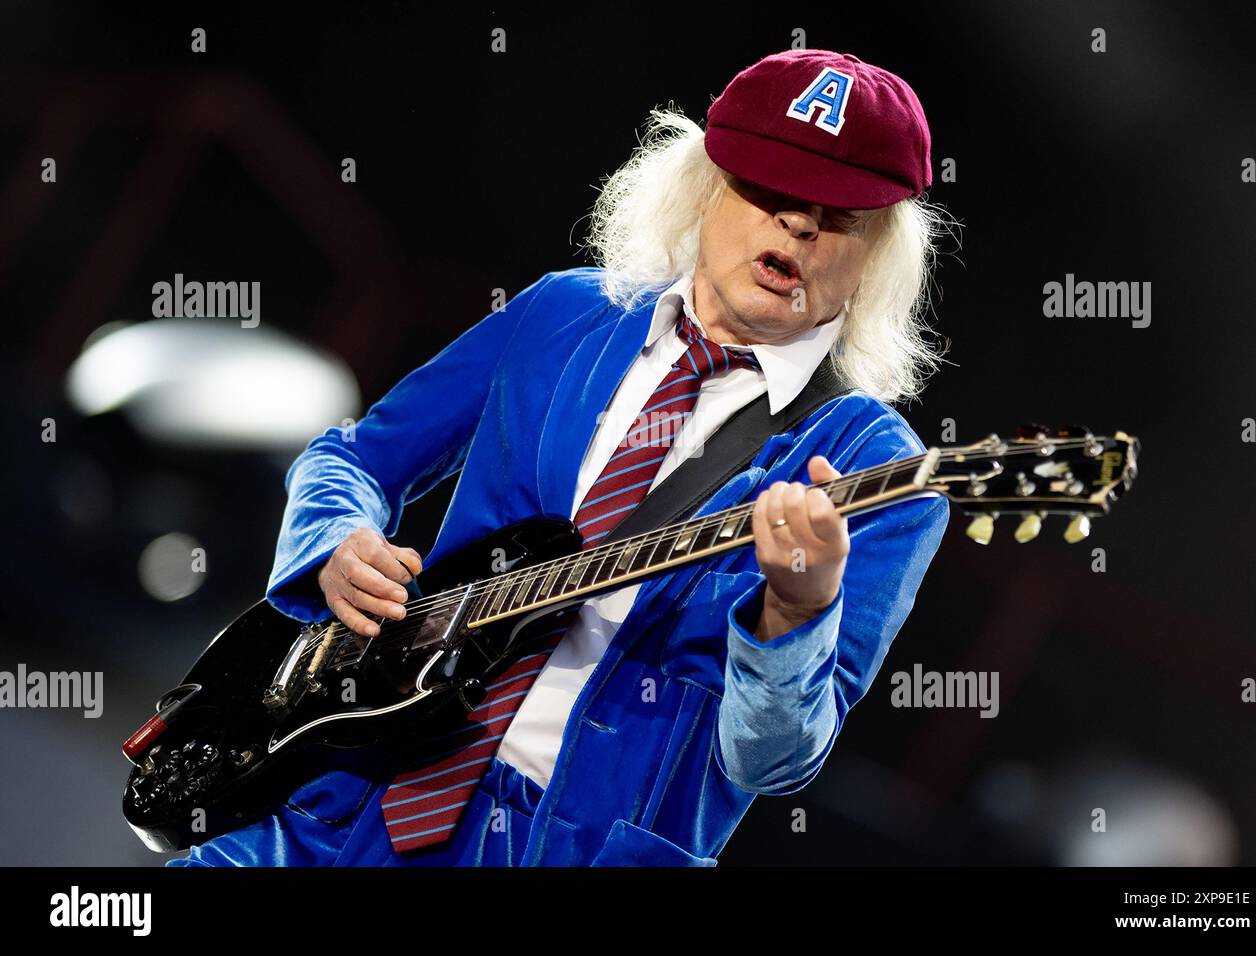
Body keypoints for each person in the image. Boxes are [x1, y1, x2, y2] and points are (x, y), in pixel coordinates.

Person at [168, 48, 951, 867]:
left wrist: (796, 614)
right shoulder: (560, 314)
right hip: (337, 788)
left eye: (841, 215)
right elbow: (355, 459)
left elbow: (774, 762)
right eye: (770, 187)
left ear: (878, 255)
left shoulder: (875, 473)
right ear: (704, 183)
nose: (798, 225)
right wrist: (333, 542)